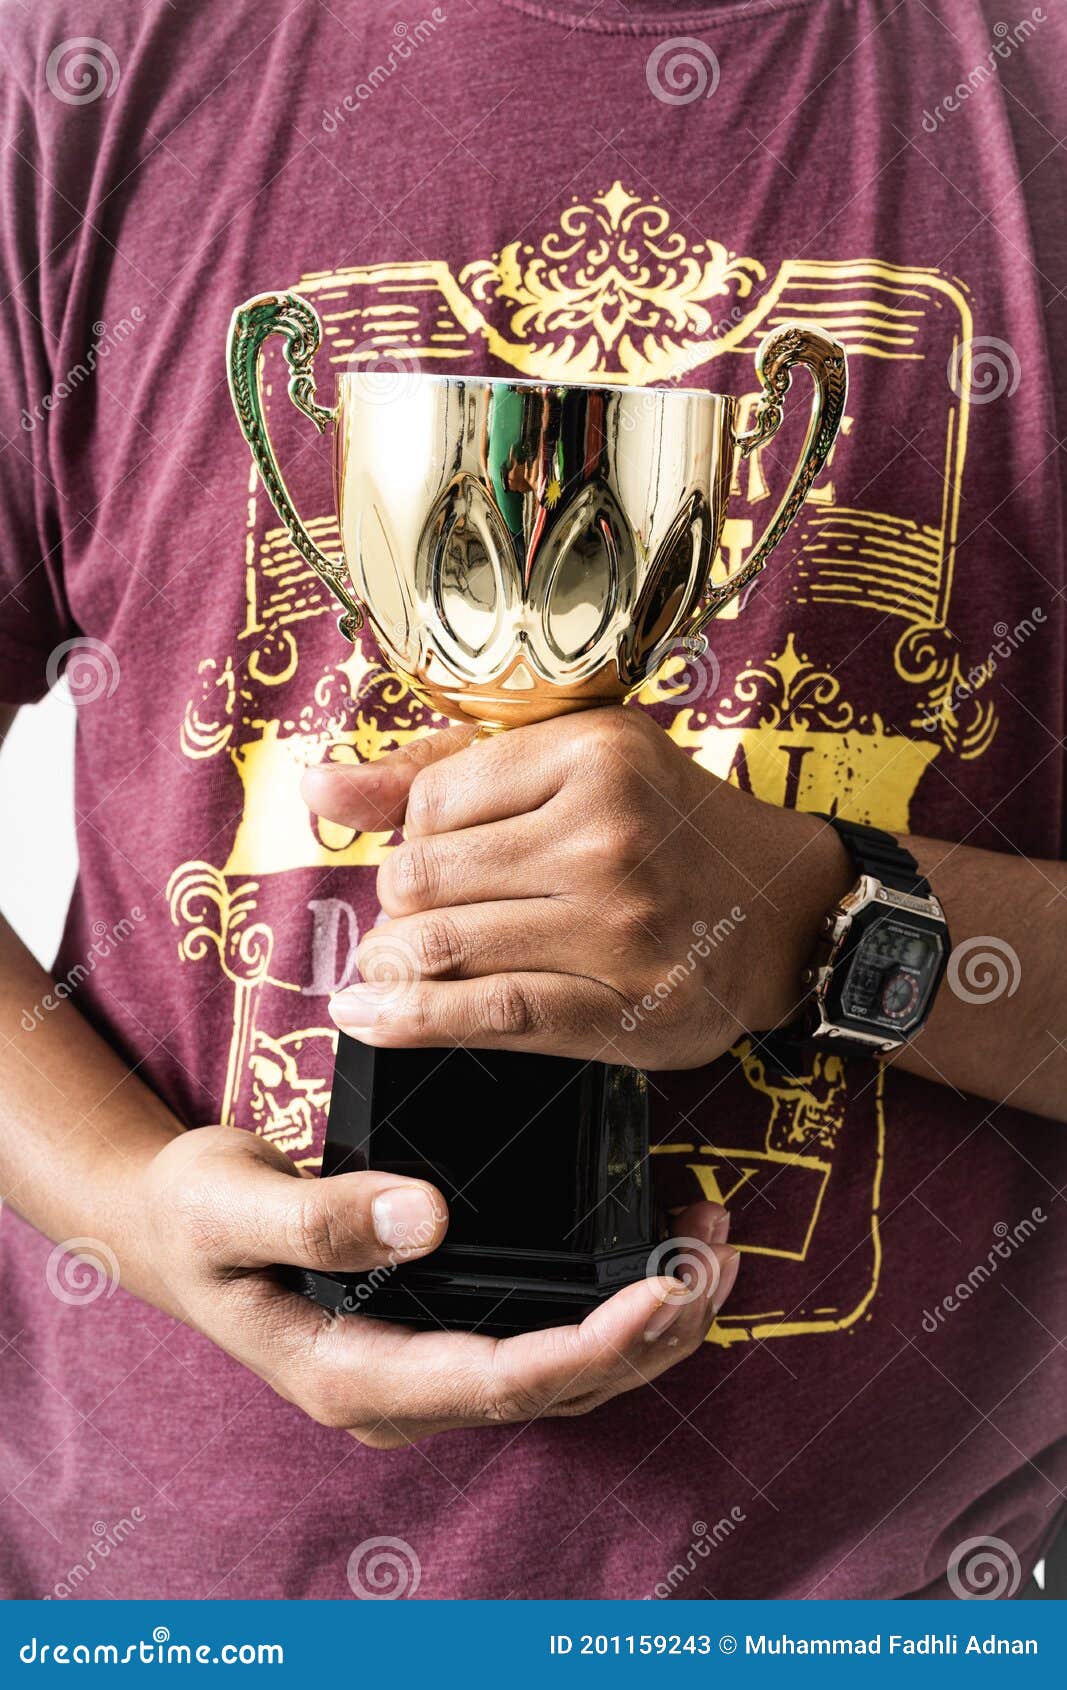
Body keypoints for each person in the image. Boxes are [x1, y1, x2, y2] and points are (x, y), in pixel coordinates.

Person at [1, 0, 1064, 1601]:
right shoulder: (89, 52)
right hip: (153, 1599)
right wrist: (128, 1206)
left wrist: (813, 923)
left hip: (887, 1610)